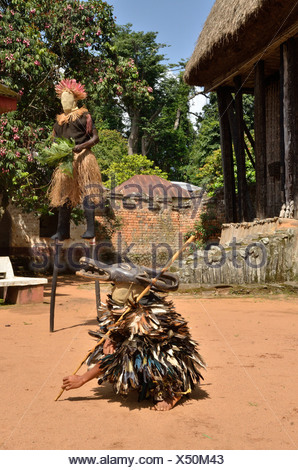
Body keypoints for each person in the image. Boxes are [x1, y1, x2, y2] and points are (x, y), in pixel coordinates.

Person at [61, 259, 206, 411]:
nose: (115, 290)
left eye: (119, 286)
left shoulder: (148, 318)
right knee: (102, 350)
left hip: (162, 358)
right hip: (135, 348)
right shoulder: (123, 307)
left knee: (135, 357)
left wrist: (82, 379)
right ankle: (143, 383)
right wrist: (109, 338)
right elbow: (114, 330)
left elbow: (122, 354)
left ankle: (172, 392)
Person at [48, 78, 102, 240]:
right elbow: (54, 141)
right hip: (66, 161)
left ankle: (90, 229)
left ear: (74, 100)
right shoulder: (59, 122)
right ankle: (62, 231)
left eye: (67, 99)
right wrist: (53, 150)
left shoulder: (84, 116)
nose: (65, 102)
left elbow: (95, 138)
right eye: (62, 99)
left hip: (84, 158)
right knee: (65, 195)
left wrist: (82, 146)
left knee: (88, 193)